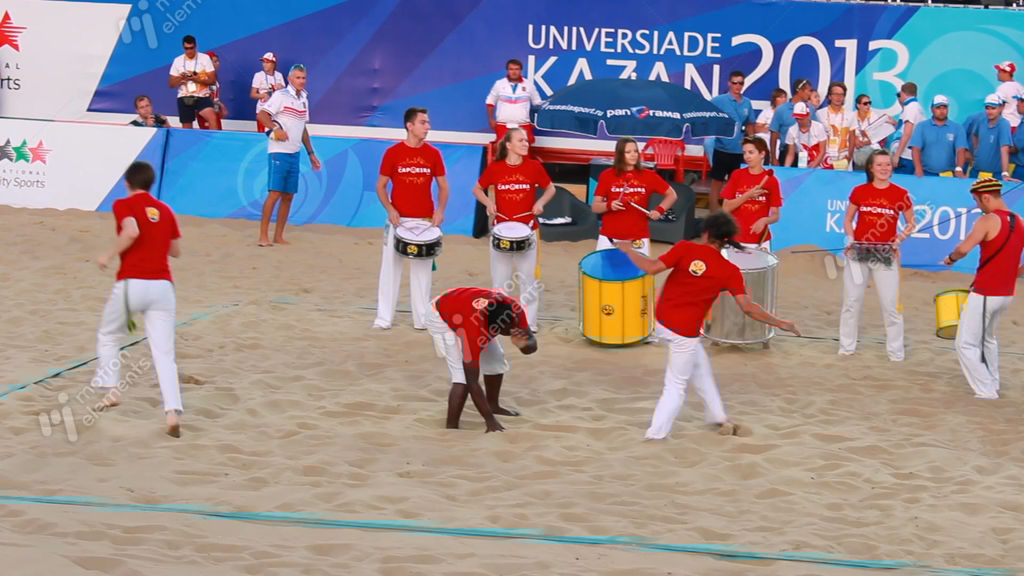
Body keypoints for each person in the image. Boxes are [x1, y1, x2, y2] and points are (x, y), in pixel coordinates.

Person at [614, 212, 799, 439]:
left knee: (700, 367)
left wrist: (629, 250)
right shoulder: (729, 270)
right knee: (675, 385)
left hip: (663, 320)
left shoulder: (685, 248)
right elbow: (748, 308)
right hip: (685, 332)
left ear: (707, 233)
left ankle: (717, 416)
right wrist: (781, 323)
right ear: (727, 239)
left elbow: (652, 268)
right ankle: (656, 434)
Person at [92, 161, 184, 438]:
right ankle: (172, 412)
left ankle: (112, 390)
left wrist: (108, 254)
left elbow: (131, 231)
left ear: (128, 183)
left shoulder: (123, 204)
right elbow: (176, 251)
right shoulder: (166, 210)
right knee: (164, 353)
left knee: (108, 335)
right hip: (163, 286)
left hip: (133, 282)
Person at [944, 177, 1024, 399]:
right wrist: (1015, 273)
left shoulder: (987, 220)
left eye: (978, 201)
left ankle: (986, 389)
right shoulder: (1019, 220)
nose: (978, 205)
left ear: (986, 197)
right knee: (988, 339)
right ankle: (993, 383)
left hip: (987, 291)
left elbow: (963, 249)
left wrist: (950, 259)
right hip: (1006, 293)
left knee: (965, 344)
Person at [472, 127, 556, 332]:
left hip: (528, 229)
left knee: (529, 278)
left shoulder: (534, 166)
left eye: (526, 140)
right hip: (501, 229)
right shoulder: (496, 168)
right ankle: (499, 321)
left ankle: (529, 322)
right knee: (500, 279)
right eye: (521, 140)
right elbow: (477, 188)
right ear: (508, 145)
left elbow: (550, 188)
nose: (526, 144)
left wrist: (541, 203)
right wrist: (488, 203)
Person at [374, 107, 449, 330]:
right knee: (390, 269)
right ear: (410, 125)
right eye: (423, 122)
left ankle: (421, 319)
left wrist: (440, 211)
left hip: (425, 221)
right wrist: (390, 209)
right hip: (398, 221)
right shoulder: (393, 153)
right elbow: (381, 185)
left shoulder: (433, 154)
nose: (428, 127)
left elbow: (443, 187)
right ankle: (384, 318)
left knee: (422, 273)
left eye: (428, 122)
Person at [425, 287, 538, 432]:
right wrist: (490, 421)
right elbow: (472, 381)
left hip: (460, 302)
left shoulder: (514, 310)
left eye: (514, 326)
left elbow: (532, 347)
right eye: (508, 330)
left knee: (496, 362)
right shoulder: (473, 332)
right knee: (461, 378)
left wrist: (523, 345)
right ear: (494, 327)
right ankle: (451, 426)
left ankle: (493, 405)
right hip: (439, 316)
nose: (514, 330)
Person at [838, 150, 916, 362]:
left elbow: (911, 223)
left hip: (885, 254)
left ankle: (896, 352)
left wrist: (898, 241)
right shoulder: (859, 191)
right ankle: (846, 347)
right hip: (858, 252)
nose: (884, 168)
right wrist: (851, 238)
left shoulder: (901, 193)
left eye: (888, 165)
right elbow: (848, 219)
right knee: (851, 302)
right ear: (871, 168)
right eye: (879, 165)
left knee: (891, 305)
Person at [256, 64, 321, 247]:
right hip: (278, 150)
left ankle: (278, 236)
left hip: (295, 151)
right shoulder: (281, 95)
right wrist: (276, 128)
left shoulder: (304, 98)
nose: (301, 81)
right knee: (274, 193)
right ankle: (263, 236)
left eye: (303, 78)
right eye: (298, 77)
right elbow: (262, 115)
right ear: (290, 78)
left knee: (288, 195)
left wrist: (310, 153)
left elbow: (303, 128)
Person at [591, 137, 677, 257]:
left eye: (635, 151)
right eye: (628, 152)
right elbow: (595, 207)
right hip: (609, 237)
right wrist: (609, 205)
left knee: (638, 274)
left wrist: (659, 210)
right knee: (604, 274)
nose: (633, 155)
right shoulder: (607, 176)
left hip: (638, 238)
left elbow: (672, 195)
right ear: (620, 154)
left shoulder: (649, 176)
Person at [720, 137, 782, 251]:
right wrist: (747, 195)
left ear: (762, 154)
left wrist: (764, 221)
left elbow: (776, 215)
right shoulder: (737, 175)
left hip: (760, 239)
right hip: (735, 238)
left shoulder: (771, 180)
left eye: (751, 152)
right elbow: (725, 208)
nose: (747, 156)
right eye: (744, 153)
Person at [708, 70, 757, 211]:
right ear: (729, 83)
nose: (737, 86)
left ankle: (731, 214)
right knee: (716, 184)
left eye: (740, 83)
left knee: (735, 186)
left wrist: (752, 143)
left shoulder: (747, 103)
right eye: (735, 83)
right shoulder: (720, 100)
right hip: (722, 149)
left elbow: (750, 124)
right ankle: (713, 216)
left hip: (739, 151)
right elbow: (707, 113)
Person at [167, 35, 219, 130]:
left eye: (191, 48)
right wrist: (181, 78)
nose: (189, 51)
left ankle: (213, 143)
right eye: (186, 48)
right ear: (183, 47)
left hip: (202, 95)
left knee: (212, 118)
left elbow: (212, 80)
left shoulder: (205, 58)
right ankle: (187, 144)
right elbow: (171, 84)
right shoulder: (177, 60)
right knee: (187, 128)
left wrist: (196, 79)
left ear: (196, 46)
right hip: (185, 96)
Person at [485, 59, 542, 145]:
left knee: (522, 153)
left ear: (521, 70)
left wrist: (535, 122)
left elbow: (537, 103)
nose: (514, 72)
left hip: (523, 125)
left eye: (516, 69)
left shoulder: (529, 85)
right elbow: (490, 102)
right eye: (511, 69)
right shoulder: (499, 84)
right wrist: (490, 119)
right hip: (503, 125)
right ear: (507, 70)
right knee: (503, 153)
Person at [251, 52, 285, 132]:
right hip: (263, 110)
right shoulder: (258, 75)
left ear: (273, 64)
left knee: (276, 135)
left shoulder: (279, 75)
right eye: (263, 62)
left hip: (276, 112)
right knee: (263, 136)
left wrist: (282, 87)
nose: (264, 64)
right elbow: (253, 94)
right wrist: (263, 95)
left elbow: (284, 93)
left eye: (267, 62)